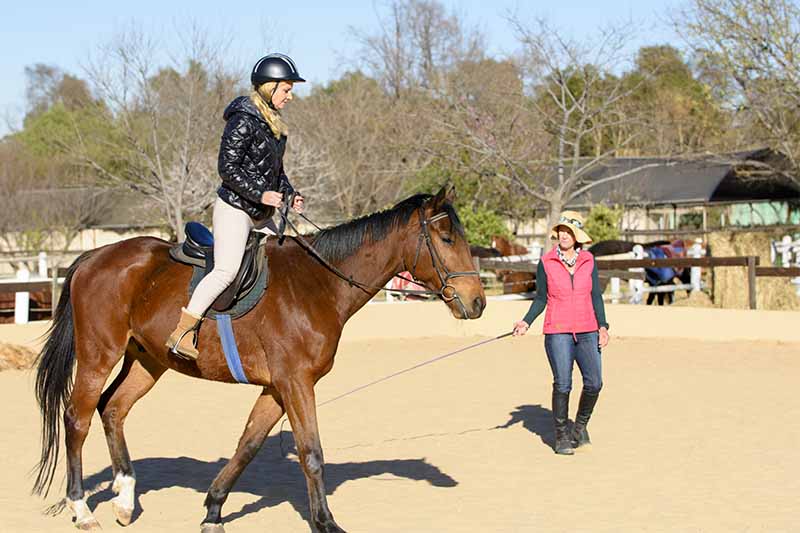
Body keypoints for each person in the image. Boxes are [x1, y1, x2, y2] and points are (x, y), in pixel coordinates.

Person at [166, 53, 306, 360]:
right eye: (286, 89)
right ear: (269, 88)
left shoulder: (273, 124)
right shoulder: (243, 120)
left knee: (289, 255)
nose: (290, 95)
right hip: (235, 208)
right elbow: (227, 169)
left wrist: (289, 193)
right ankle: (183, 331)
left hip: (260, 209)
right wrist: (261, 194)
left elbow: (275, 172)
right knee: (226, 270)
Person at [512, 211, 610, 455]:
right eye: (562, 232)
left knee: (595, 383)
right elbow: (541, 298)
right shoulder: (546, 262)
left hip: (588, 330)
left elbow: (595, 294)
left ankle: (579, 427)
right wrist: (526, 322)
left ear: (577, 237)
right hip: (558, 331)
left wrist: (603, 325)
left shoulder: (588, 260)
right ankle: (561, 435)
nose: (564, 236)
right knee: (563, 383)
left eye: (569, 232)